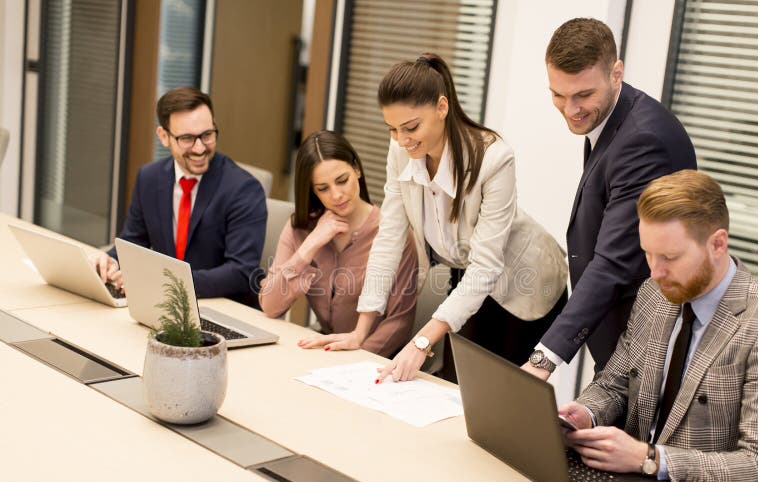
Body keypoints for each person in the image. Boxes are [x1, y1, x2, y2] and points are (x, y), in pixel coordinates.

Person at [300, 53, 568, 382]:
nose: (402, 139)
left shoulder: (493, 158)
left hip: (525, 285)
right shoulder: (400, 149)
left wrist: (422, 341)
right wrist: (361, 330)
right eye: (393, 129)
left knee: (499, 396)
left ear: (442, 107)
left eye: (411, 127)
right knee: (460, 386)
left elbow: (487, 266)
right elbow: (390, 237)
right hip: (468, 274)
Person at [559, 170, 758, 482]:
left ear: (717, 244)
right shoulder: (654, 295)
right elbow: (614, 384)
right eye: (648, 253)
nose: (655, 271)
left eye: (670, 257)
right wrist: (582, 414)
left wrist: (651, 460)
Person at [523, 18, 697, 379]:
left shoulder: (642, 142)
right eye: (558, 95)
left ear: (616, 73)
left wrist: (544, 359)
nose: (571, 110)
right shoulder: (613, 121)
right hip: (620, 344)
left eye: (583, 95)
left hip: (644, 352)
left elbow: (614, 261)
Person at [95, 86, 266, 308]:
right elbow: (134, 239)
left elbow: (241, 271)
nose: (199, 148)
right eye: (187, 138)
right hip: (165, 305)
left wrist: (162, 282)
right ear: (164, 136)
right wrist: (110, 260)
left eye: (207, 135)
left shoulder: (244, 189)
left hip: (221, 309)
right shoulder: (149, 177)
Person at [259, 130, 417, 357]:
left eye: (342, 181)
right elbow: (270, 306)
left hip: (373, 361)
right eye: (323, 188)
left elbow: (399, 324)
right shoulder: (300, 228)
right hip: (325, 353)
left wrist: (352, 363)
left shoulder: (393, 233)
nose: (336, 195)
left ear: (357, 170)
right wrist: (310, 245)